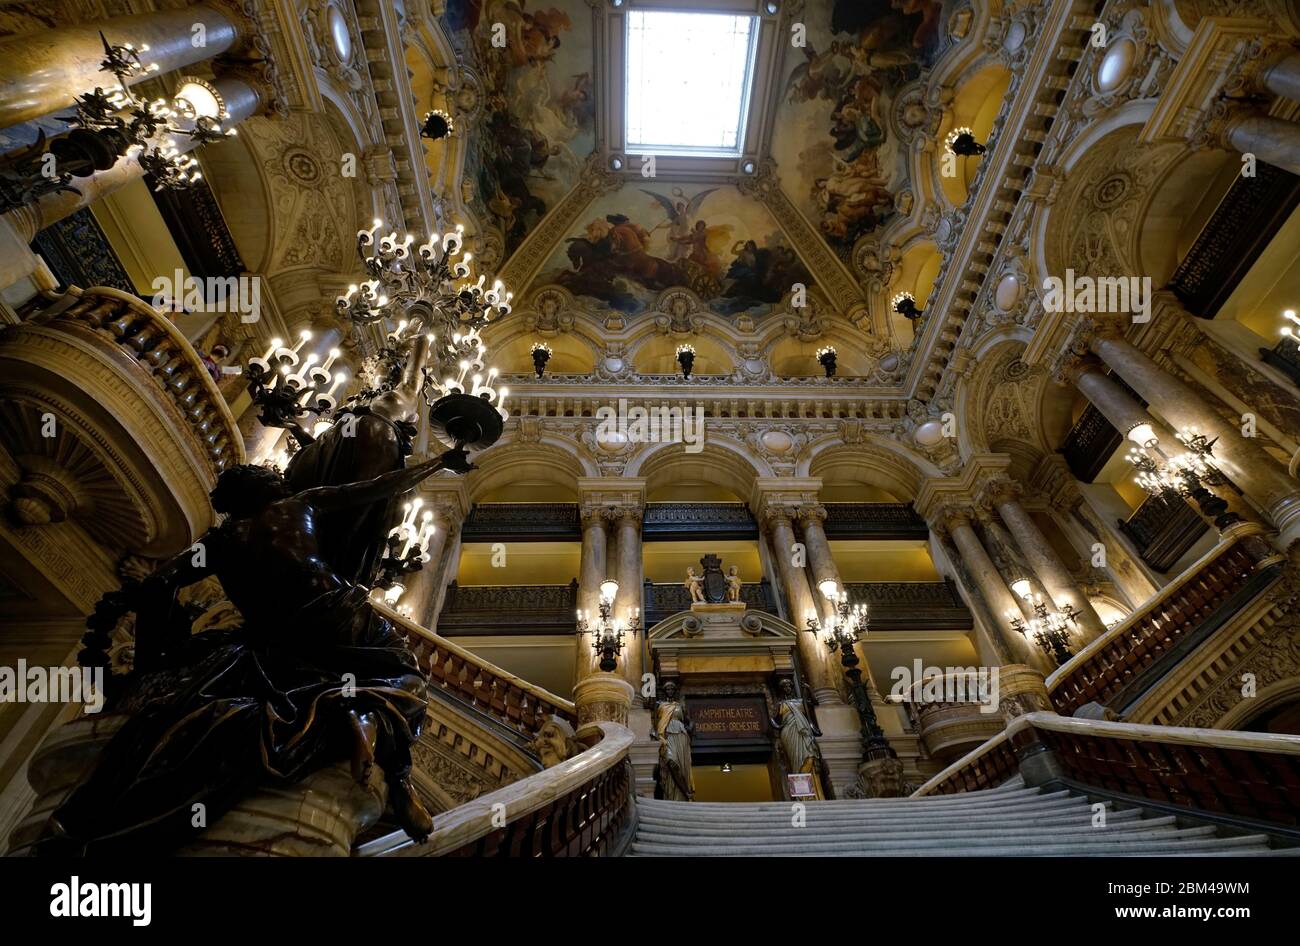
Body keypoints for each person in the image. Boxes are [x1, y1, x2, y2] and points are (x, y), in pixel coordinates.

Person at [43, 448, 471, 855]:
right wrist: (436, 463)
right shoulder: (297, 506)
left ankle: (363, 731)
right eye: (273, 476)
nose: (281, 477)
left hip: (280, 632)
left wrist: (152, 661)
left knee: (281, 684)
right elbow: (378, 487)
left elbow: (157, 586)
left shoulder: (219, 542)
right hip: (334, 611)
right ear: (266, 488)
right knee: (407, 677)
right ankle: (380, 746)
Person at [771, 679, 826, 800]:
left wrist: (808, 689)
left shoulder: (801, 701)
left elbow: (815, 703)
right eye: (784, 687)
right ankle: (802, 796)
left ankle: (813, 795)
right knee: (795, 761)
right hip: (789, 733)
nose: (787, 688)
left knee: (809, 757)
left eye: (789, 686)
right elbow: (775, 721)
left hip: (803, 732)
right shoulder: (781, 704)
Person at [651, 682, 694, 801]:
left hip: (681, 736)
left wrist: (690, 727)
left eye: (672, 689)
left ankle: (684, 796)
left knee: (681, 765)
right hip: (667, 736)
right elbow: (654, 719)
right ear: (664, 691)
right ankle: (686, 792)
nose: (670, 690)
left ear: (675, 691)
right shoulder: (659, 704)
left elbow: (688, 721)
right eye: (667, 689)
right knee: (671, 761)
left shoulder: (679, 706)